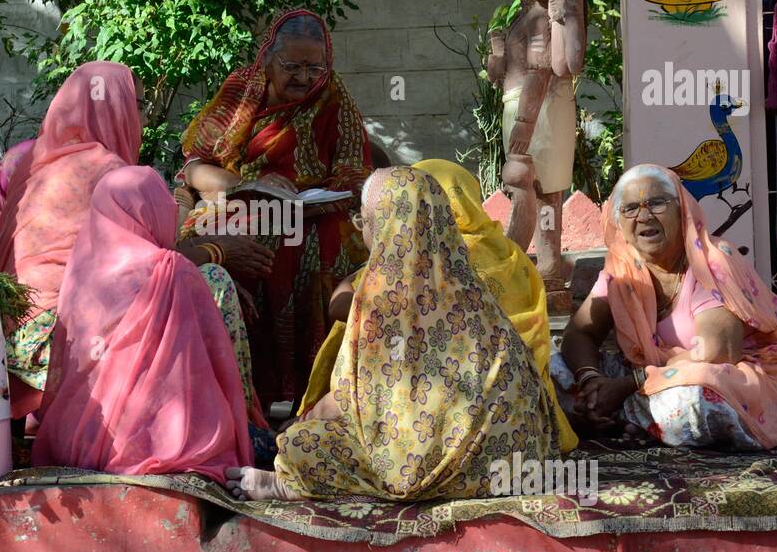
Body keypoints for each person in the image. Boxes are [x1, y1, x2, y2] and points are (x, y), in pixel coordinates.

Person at [227, 167, 560, 502]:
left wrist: (294, 433)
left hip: (439, 464)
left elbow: (347, 401)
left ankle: (284, 486)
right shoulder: (469, 285)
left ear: (384, 225)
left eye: (364, 222)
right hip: (516, 463)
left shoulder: (382, 295)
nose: (361, 233)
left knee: (302, 446)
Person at [0, 62, 270, 424]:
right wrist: (220, 252)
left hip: (13, 340)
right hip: (61, 342)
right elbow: (157, 266)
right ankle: (234, 424)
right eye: (135, 104)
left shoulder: (28, 161)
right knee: (212, 283)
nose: (141, 117)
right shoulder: (112, 174)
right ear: (112, 108)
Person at [299, 159, 578, 454]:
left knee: (302, 447)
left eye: (364, 221)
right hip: (523, 433)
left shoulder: (410, 265)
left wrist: (308, 419)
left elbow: (357, 390)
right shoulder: (499, 255)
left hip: (435, 442)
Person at [180, 9, 371, 408]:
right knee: (245, 237)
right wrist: (249, 184)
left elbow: (354, 168)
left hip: (313, 210)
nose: (304, 78)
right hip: (237, 200)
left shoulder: (332, 95)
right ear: (267, 59)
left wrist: (324, 195)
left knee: (329, 241)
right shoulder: (240, 90)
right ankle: (250, 393)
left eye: (314, 67)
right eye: (292, 67)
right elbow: (195, 167)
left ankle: (320, 389)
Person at [32, 166, 253, 483]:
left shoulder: (80, 272)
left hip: (75, 436)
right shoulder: (173, 271)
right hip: (155, 442)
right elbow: (213, 368)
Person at [557, 164, 777, 449]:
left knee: (700, 395)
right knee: (551, 367)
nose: (644, 216)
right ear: (619, 222)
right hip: (647, 381)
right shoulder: (622, 271)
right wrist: (591, 380)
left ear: (681, 209)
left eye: (657, 203)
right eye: (631, 208)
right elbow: (579, 333)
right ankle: (619, 412)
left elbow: (717, 353)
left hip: (731, 378)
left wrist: (625, 386)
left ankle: (618, 415)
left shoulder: (710, 262)